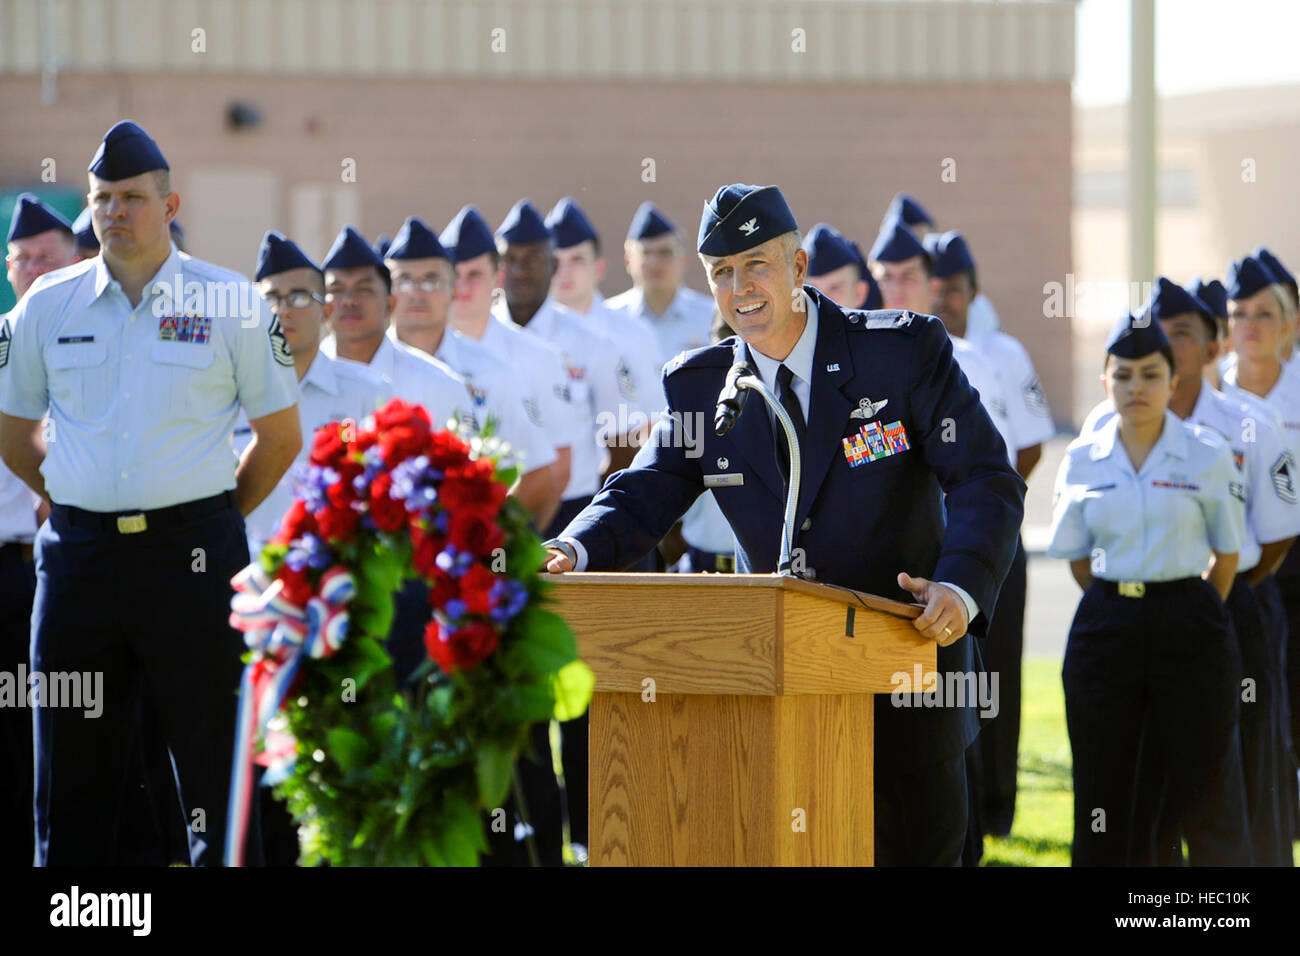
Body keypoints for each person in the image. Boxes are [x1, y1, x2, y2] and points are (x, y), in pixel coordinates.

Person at [544, 183, 1025, 866]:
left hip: (904, 673)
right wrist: (572, 546)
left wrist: (962, 586)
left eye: (756, 265)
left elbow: (986, 477)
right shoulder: (700, 387)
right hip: (776, 689)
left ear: (798, 268)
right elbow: (645, 490)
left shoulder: (901, 352)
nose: (739, 287)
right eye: (721, 272)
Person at [0, 120, 303, 866]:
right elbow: (12, 430)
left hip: (194, 559)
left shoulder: (230, 302)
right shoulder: (47, 306)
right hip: (80, 563)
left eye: (132, 198)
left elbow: (280, 436)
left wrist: (210, 516)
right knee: (72, 779)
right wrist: (75, 495)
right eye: (103, 198)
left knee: (214, 775)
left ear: (170, 206)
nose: (114, 213)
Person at [1080, 278, 1298, 865]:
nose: (1168, 347)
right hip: (1131, 621)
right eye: (1161, 334)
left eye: (1183, 334)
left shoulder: (1247, 423)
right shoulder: (1102, 428)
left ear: (1211, 347)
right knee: (1136, 780)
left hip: (1229, 608)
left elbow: (1275, 532)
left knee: (1237, 768)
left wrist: (1209, 597)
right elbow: (1083, 547)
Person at [1048, 312, 1249, 866]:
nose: (1137, 387)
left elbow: (1227, 554)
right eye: (1124, 375)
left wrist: (1187, 605)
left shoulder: (1206, 454)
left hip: (1190, 623)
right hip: (1107, 623)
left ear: (1174, 380)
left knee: (1202, 786)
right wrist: (1123, 598)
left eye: (1151, 374)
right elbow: (1079, 558)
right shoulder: (1084, 458)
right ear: (1106, 381)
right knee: (1105, 790)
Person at [928, 229, 1056, 840]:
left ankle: (998, 806)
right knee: (944, 686)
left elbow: (1028, 445)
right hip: (933, 551)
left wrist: (988, 504)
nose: (942, 298)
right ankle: (962, 812)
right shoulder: (912, 353)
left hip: (994, 543)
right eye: (933, 286)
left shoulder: (1003, 353)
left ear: (972, 292)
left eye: (952, 288)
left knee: (998, 674)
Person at [317, 224, 479, 686]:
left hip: (416, 583)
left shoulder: (439, 385)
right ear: (324, 305)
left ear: (390, 304)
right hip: (326, 582)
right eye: (336, 290)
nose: (349, 300)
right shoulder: (295, 383)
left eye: (364, 288)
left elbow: (471, 488)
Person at [492, 199, 654, 538]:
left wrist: (596, 520)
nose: (521, 270)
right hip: (493, 515)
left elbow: (623, 443)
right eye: (511, 259)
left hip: (573, 513)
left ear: (552, 265)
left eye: (533, 259)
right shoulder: (479, 338)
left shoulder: (592, 344)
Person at [384, 215, 559, 527]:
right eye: (405, 281)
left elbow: (537, 475)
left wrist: (487, 542)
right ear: (388, 293)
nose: (418, 292)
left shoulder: (494, 371)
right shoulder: (357, 365)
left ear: (452, 289)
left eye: (431, 280)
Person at [0, 192, 78, 867]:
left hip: (63, 561)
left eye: (45, 256)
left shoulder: (96, 340)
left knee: (57, 724)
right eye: (20, 258)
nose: (31, 269)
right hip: (9, 561)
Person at [1220, 253, 1300, 854]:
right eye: (1239, 313)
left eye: (1265, 314)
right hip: (1253, 568)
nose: (1250, 325)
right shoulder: (1210, 392)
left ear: (1291, 324)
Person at [443, 204, 580, 533]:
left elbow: (558, 466)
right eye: (454, 276)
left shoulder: (538, 357)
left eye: (474, 275)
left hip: (509, 529)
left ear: (497, 277)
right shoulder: (421, 352)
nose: (463, 286)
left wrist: (503, 540)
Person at [545, 196, 664, 424]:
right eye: (555, 261)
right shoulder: (528, 333)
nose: (565, 271)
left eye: (577, 259)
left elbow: (656, 421)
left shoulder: (635, 335)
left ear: (599, 267)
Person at [605, 201, 715, 364]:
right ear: (629, 262)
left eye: (665, 253)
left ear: (683, 260)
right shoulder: (608, 319)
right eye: (646, 253)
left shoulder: (711, 318)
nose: (655, 263)